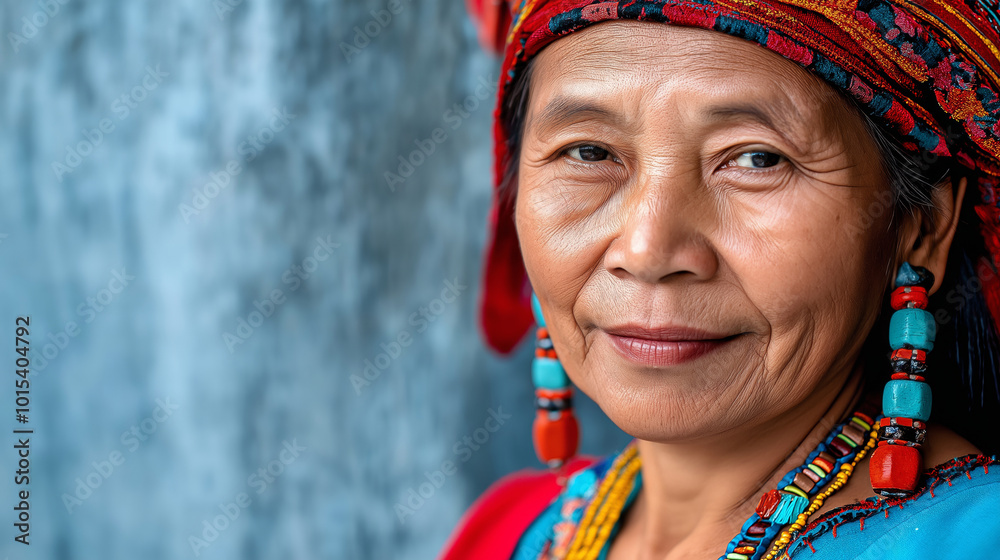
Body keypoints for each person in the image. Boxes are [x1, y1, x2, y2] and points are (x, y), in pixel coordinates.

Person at [442, 1, 1000, 558]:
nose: (648, 251)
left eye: (758, 160)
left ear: (920, 225)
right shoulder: (503, 533)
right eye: (588, 152)